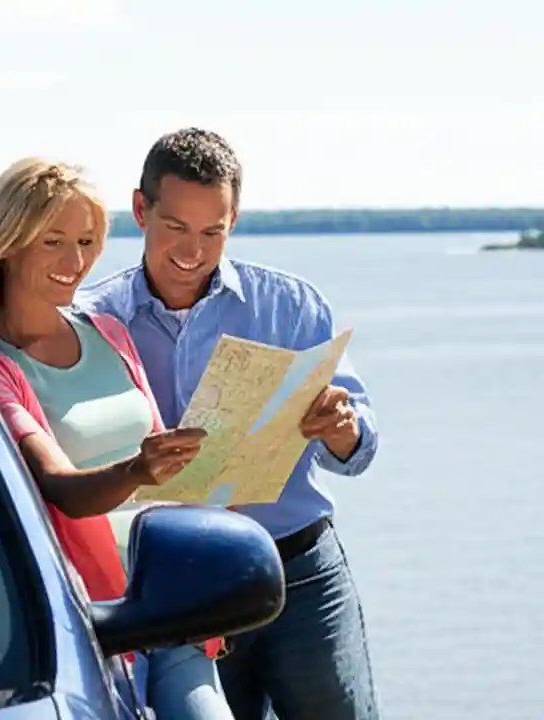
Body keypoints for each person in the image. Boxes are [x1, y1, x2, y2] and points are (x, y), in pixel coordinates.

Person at [75, 128, 382, 720]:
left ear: (234, 219)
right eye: (176, 229)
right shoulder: (93, 323)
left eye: (213, 232)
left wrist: (340, 427)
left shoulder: (291, 307)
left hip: (303, 574)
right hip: (178, 590)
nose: (193, 251)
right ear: (141, 210)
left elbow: (360, 445)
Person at [0, 156, 236, 720]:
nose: (75, 262)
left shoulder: (109, 333)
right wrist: (136, 470)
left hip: (172, 607)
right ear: (8, 243)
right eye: (53, 241)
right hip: (93, 629)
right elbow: (62, 490)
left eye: (85, 241)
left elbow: (165, 468)